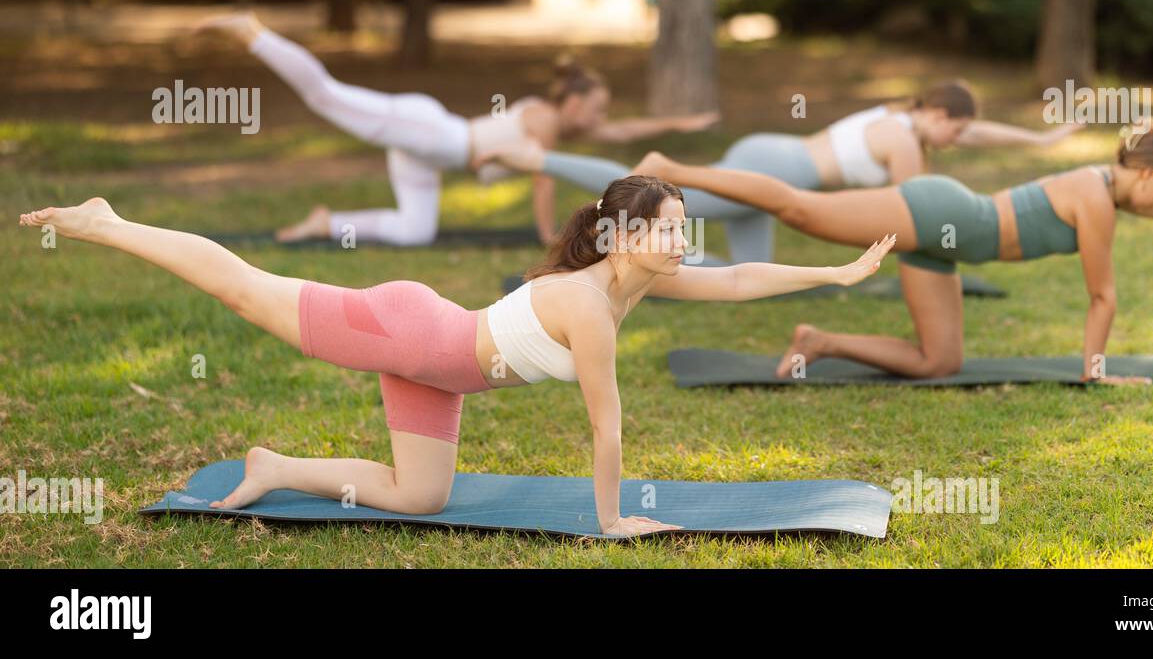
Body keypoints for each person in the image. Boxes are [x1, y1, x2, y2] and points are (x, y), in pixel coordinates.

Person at [18, 177, 895, 536]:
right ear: (625, 236)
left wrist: (841, 269)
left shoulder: (633, 281)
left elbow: (740, 280)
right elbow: (605, 426)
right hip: (407, 331)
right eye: (670, 227)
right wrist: (613, 518)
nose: (684, 239)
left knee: (420, 495)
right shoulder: (590, 304)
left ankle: (274, 464)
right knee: (246, 288)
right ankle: (111, 222)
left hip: (439, 371)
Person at [632, 122, 1153, 383]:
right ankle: (673, 167)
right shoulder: (1095, 198)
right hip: (938, 212)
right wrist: (1097, 370)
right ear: (1149, 176)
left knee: (939, 361)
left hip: (943, 249)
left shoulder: (1114, 189)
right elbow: (1104, 295)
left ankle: (820, 339)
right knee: (799, 206)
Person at [197, 12, 718, 246]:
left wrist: (679, 120)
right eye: (598, 109)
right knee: (326, 96)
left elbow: (624, 133)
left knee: (415, 231)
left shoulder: (565, 126)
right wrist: (544, 235)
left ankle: (326, 222)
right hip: (433, 134)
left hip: (426, 155)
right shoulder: (544, 121)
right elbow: (542, 180)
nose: (601, 121)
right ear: (575, 101)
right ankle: (254, 34)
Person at [476, 80, 1080, 262]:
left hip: (776, 160)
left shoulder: (900, 115)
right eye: (954, 128)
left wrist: (1042, 136)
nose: (958, 140)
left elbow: (976, 128)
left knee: (747, 273)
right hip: (775, 171)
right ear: (934, 114)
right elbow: (910, 200)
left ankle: (635, 259)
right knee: (653, 194)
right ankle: (539, 159)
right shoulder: (901, 139)